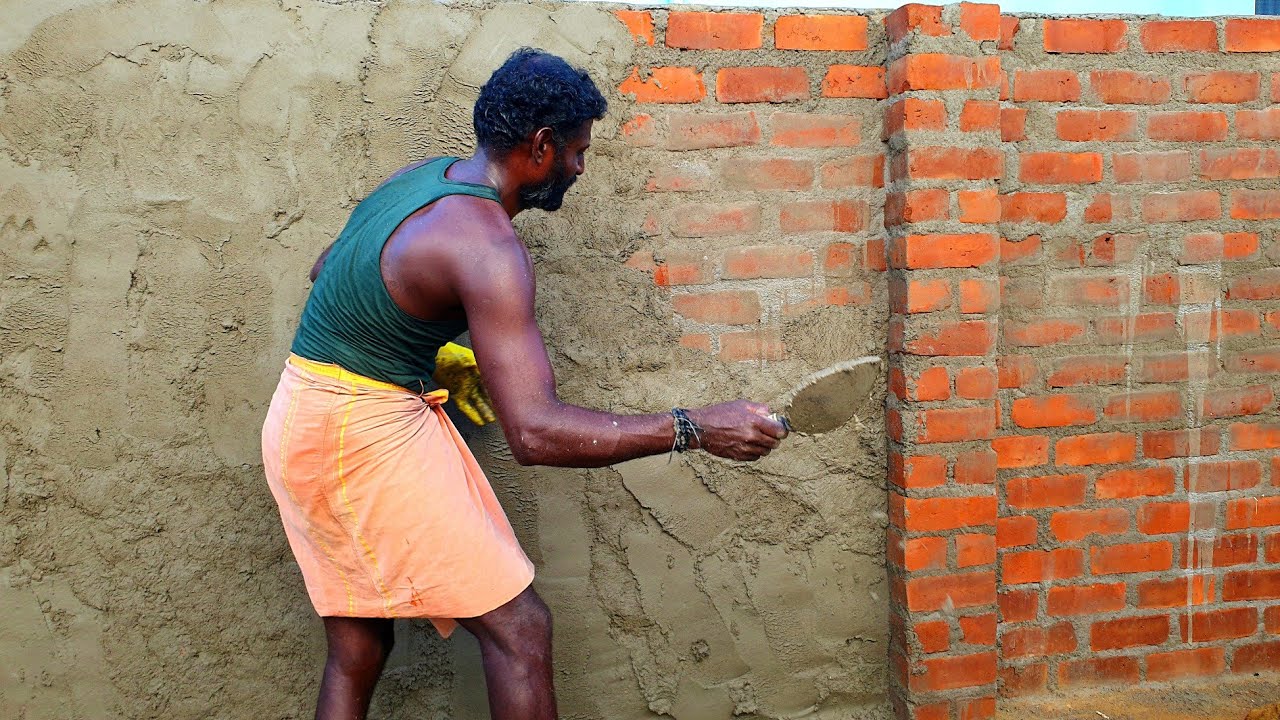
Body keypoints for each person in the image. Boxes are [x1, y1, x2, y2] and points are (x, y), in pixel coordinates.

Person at [260, 48, 787, 720]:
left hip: (303, 412)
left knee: (359, 646)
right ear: (540, 147)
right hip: (355, 436)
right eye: (576, 152)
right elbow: (535, 433)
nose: (579, 168)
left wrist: (421, 348)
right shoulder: (488, 248)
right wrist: (695, 427)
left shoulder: (423, 179)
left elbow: (327, 266)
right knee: (521, 632)